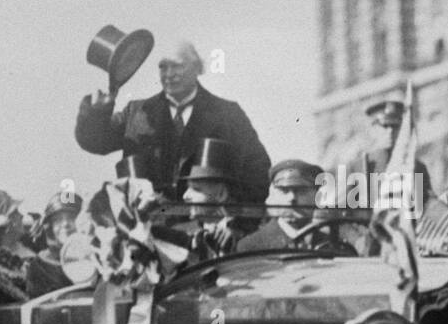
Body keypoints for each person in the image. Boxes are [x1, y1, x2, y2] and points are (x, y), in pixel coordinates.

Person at [75, 37, 271, 203]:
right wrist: (97, 112)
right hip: (146, 230)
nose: (169, 74)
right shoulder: (136, 112)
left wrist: (231, 213)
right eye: (163, 67)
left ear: (197, 67)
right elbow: (94, 142)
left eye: (177, 65)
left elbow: (259, 170)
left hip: (207, 230)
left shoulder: (228, 113)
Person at [237, 159, 355, 253]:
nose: (292, 198)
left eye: (301, 191)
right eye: (284, 191)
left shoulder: (335, 245)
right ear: (274, 196)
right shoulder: (251, 247)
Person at [176, 139, 245, 261]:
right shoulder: (179, 234)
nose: (185, 196)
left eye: (196, 189)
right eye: (187, 188)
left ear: (221, 194)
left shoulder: (246, 235)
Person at [362, 98, 433, 203]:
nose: (390, 131)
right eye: (384, 126)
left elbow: (427, 206)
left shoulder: (417, 168)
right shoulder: (361, 167)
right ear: (373, 130)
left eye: (395, 127)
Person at [25, 187, 83, 296]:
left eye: (72, 217)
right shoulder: (40, 265)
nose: (65, 224)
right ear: (50, 226)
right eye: (58, 219)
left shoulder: (99, 256)